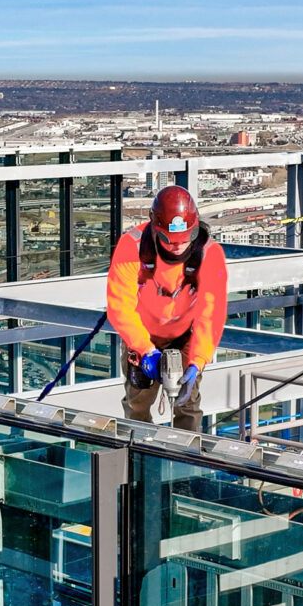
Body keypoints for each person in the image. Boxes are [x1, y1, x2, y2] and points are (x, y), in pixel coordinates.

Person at [106, 184, 229, 430]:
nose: (177, 246)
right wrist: (144, 349)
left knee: (188, 403)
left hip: (186, 334)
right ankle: (139, 454)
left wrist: (197, 360)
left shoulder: (209, 254)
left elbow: (211, 315)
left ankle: (187, 458)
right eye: (169, 240)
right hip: (143, 331)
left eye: (185, 240)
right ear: (155, 228)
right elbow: (120, 307)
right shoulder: (132, 247)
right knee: (137, 404)